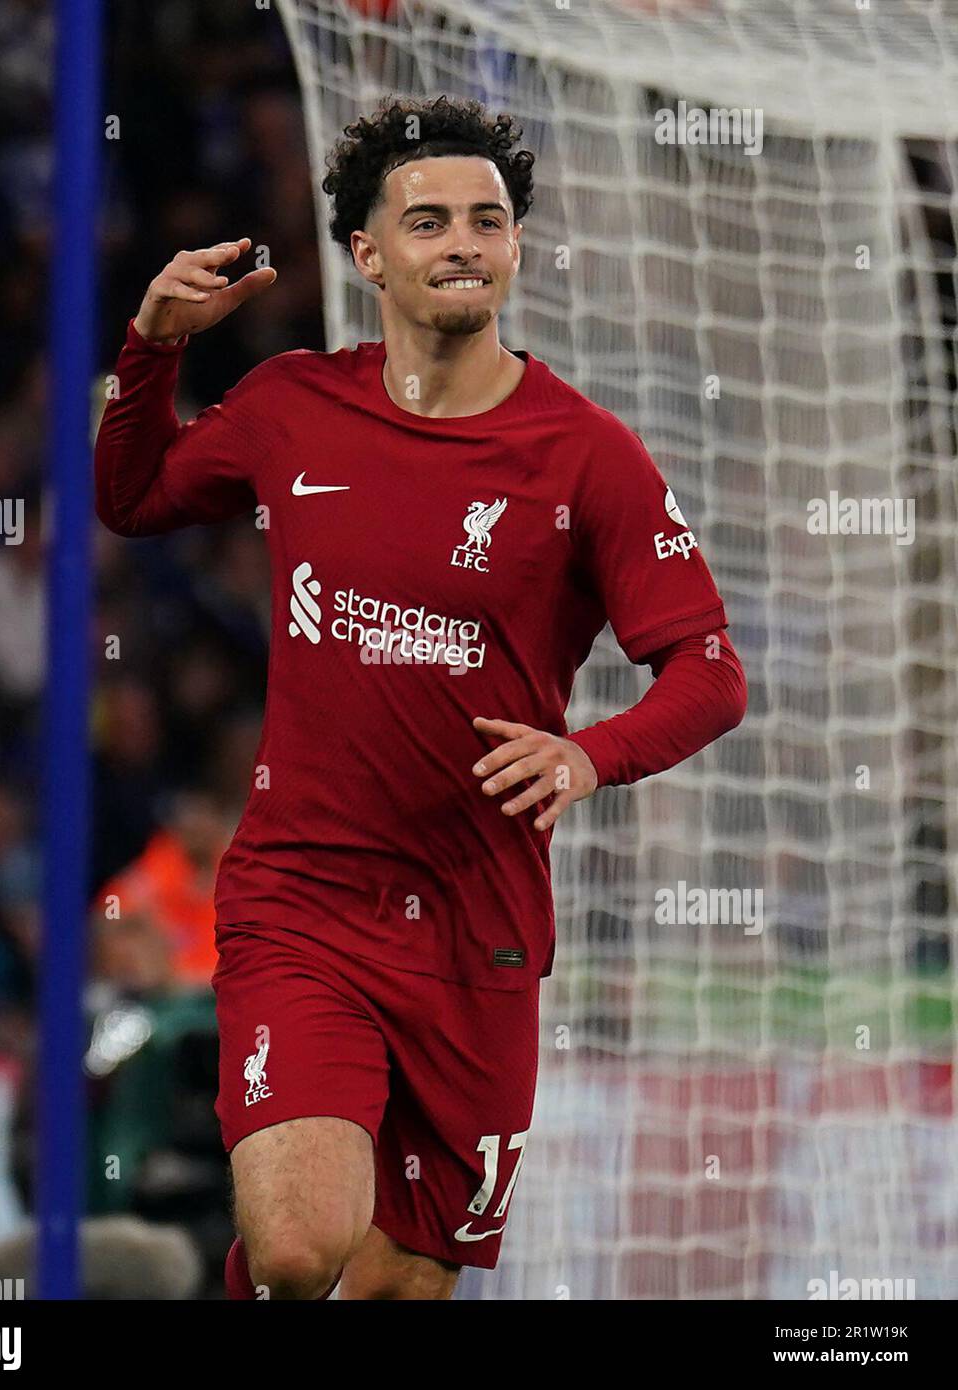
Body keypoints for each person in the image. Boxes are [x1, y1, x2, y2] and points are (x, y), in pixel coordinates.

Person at [94, 95, 747, 1300]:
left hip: (475, 918)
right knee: (297, 1247)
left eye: (486, 221)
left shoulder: (585, 453)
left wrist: (585, 756)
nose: (461, 242)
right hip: (305, 892)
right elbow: (134, 498)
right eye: (429, 220)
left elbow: (708, 670)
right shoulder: (294, 405)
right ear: (368, 254)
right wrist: (152, 348)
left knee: (398, 1287)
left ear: (512, 247)